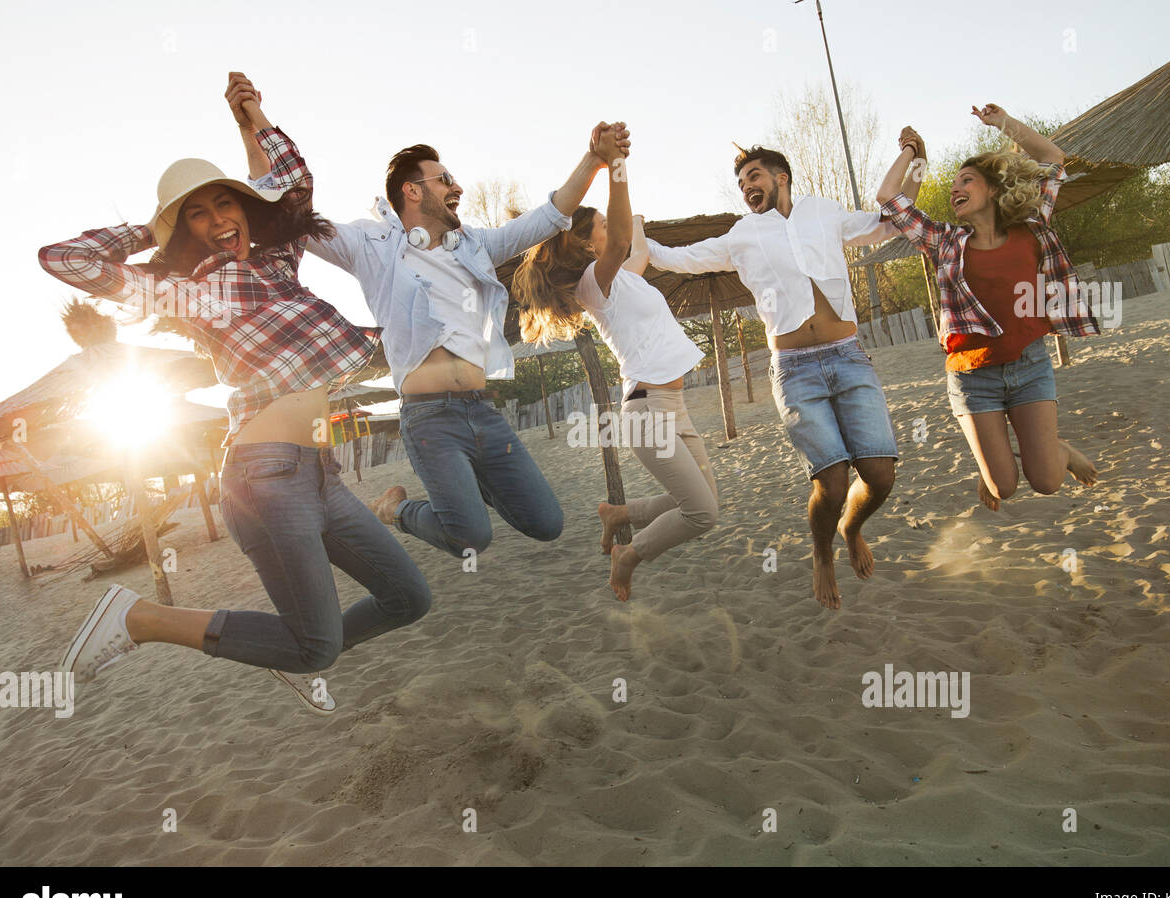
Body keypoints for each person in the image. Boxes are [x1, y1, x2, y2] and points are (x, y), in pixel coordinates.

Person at [38, 73, 431, 715]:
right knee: (318, 645)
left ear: (245, 209)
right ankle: (142, 619)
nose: (218, 219)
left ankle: (284, 644)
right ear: (184, 231)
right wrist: (151, 230)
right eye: (198, 212)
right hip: (264, 476)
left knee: (408, 598)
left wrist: (250, 115)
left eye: (226, 203)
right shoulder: (187, 290)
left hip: (318, 473)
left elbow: (293, 179)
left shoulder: (277, 263)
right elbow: (63, 260)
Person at [242, 119, 630, 560]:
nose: (457, 187)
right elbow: (288, 219)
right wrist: (253, 126)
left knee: (547, 523)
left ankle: (466, 486)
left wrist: (595, 159)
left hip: (483, 412)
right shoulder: (370, 244)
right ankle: (397, 508)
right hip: (430, 422)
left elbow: (550, 215)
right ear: (412, 190)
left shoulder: (475, 246)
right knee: (471, 538)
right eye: (445, 179)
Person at [642, 142, 924, 610]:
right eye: (742, 183)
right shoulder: (742, 235)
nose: (747, 187)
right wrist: (633, 232)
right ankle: (822, 555)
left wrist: (915, 157)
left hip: (848, 357)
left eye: (754, 176)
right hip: (794, 373)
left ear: (781, 176)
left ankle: (851, 529)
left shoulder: (825, 212)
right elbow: (679, 257)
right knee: (831, 482)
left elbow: (893, 221)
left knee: (880, 475)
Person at [511, 127, 715, 601]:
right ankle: (629, 554)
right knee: (701, 512)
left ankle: (619, 515)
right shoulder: (593, 284)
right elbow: (622, 243)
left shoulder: (621, 281)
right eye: (600, 225)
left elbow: (634, 248)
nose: (608, 228)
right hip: (647, 411)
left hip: (673, 404)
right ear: (587, 245)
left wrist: (636, 218)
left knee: (700, 497)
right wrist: (617, 165)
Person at [875, 105, 1099, 511]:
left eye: (967, 181)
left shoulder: (1032, 226)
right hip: (973, 377)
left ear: (993, 190)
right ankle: (998, 460)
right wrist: (914, 152)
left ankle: (1058, 451)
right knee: (1003, 489)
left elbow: (1053, 160)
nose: (954, 188)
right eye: (953, 184)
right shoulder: (945, 242)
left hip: (1029, 365)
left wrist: (1003, 123)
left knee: (1047, 481)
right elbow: (889, 197)